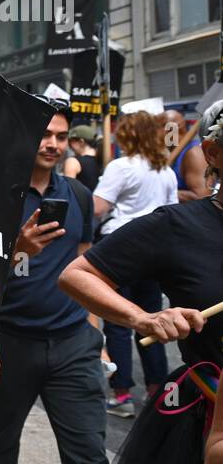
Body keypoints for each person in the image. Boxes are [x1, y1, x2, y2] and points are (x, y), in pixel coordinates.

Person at [60, 100, 223, 464]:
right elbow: (78, 276)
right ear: (213, 152)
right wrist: (145, 319)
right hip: (208, 427)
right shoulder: (178, 225)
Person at [0, 106, 117, 464]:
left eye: (59, 136)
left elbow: (87, 265)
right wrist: (16, 249)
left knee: (88, 453)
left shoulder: (75, 193)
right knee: (0, 434)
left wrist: (97, 335)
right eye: (44, 135)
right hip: (10, 339)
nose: (53, 144)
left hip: (74, 341)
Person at [93, 110, 178, 418]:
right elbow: (172, 211)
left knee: (118, 322)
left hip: (120, 249)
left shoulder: (120, 166)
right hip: (156, 252)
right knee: (154, 321)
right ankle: (158, 391)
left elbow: (98, 207)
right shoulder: (165, 170)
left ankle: (122, 393)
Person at [164, 109, 210, 201]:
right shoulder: (173, 153)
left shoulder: (194, 154)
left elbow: (202, 197)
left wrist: (164, 191)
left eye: (157, 127)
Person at [64, 124, 102, 191]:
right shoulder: (103, 159)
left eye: (70, 142)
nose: (69, 146)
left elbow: (68, 191)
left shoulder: (73, 162)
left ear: (81, 142)